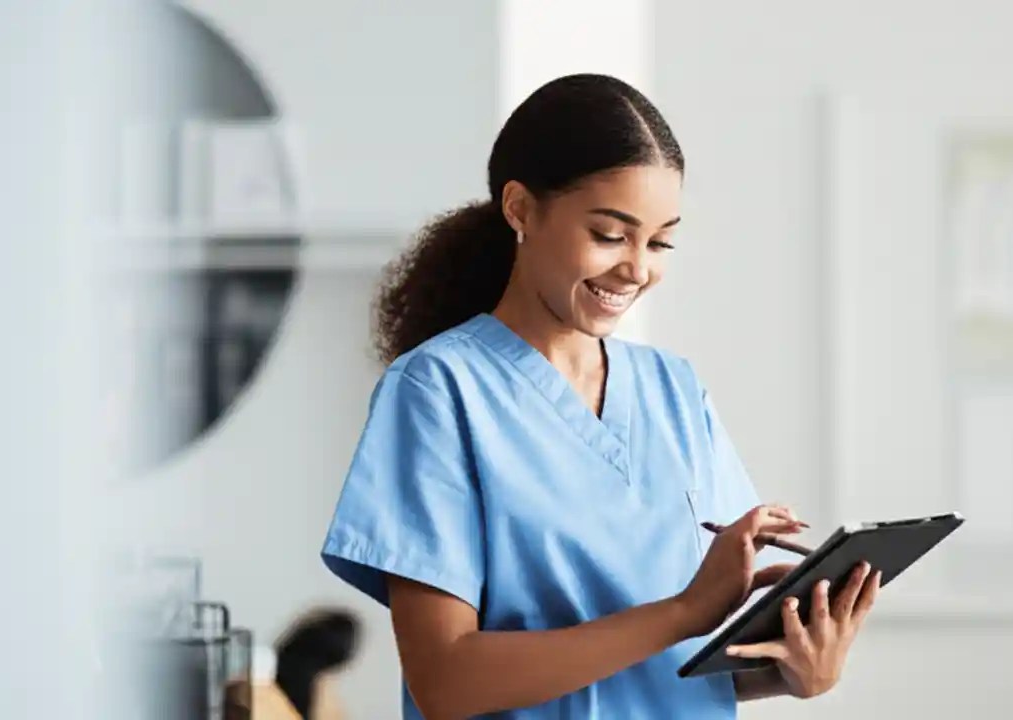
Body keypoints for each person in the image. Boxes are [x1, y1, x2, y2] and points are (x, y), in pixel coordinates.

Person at [320, 73, 879, 719]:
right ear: (521, 209)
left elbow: (674, 673)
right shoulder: (438, 390)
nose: (638, 267)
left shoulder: (674, 389)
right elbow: (447, 683)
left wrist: (795, 671)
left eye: (661, 240)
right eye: (611, 235)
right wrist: (686, 611)